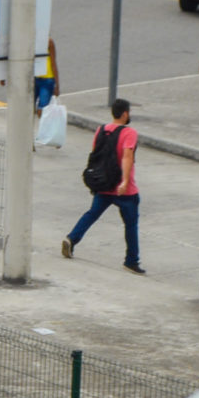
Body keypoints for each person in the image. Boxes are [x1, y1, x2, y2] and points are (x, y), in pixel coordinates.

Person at [60, 98, 144, 274]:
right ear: (125, 113)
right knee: (130, 224)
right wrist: (125, 181)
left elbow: (96, 155)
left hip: (104, 182)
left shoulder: (101, 130)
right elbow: (127, 157)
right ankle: (131, 260)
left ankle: (72, 239)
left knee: (92, 214)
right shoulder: (129, 133)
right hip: (124, 189)